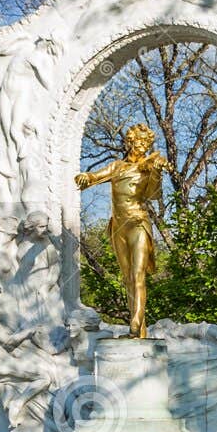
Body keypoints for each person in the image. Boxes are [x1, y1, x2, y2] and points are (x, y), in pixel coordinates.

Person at [74, 123, 173, 337]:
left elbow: (153, 195)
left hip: (138, 223)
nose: (137, 146)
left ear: (147, 145)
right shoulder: (117, 166)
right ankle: (139, 331)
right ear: (128, 143)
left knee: (138, 274)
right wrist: (85, 177)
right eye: (133, 142)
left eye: (142, 143)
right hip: (118, 227)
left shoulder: (148, 167)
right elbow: (95, 177)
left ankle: (136, 320)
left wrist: (156, 171)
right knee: (127, 277)